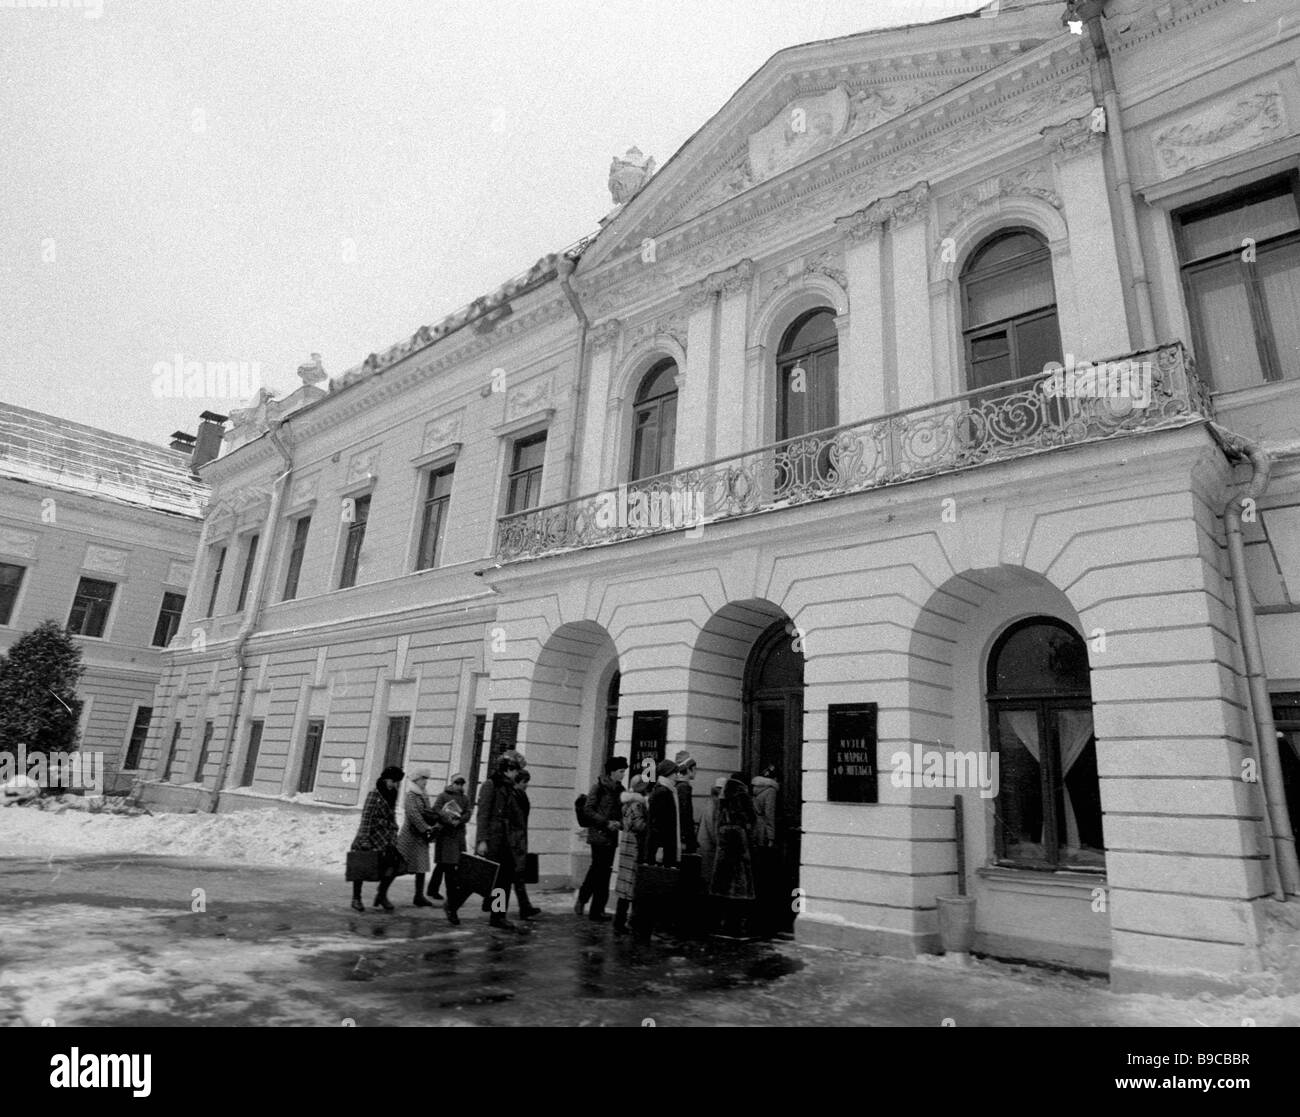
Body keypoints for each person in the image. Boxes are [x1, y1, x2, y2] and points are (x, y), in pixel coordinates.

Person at [447, 754, 523, 929]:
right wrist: (482, 840)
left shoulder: (509, 787)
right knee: (477, 878)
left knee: (503, 879)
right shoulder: (490, 785)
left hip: (505, 840)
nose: (516, 774)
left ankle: (498, 917)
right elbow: (483, 814)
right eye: (514, 770)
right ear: (507, 770)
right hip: (492, 839)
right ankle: (452, 906)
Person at [633, 758, 681, 942]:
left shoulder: (666, 791)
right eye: (675, 772)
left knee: (659, 886)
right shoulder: (663, 792)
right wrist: (660, 848)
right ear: (668, 773)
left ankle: (650, 926)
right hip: (661, 847)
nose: (677, 775)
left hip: (663, 845)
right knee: (658, 887)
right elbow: (657, 824)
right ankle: (653, 928)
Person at [575, 756, 627, 922]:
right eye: (620, 771)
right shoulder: (598, 787)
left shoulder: (620, 790)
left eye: (624, 771)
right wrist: (606, 822)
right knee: (598, 870)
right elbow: (588, 810)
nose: (623, 774)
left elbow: (622, 812)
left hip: (611, 836)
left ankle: (597, 909)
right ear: (612, 771)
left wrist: (620, 823)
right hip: (598, 835)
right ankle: (585, 901)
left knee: (604, 872)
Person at [349, 766, 405, 913]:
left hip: (385, 838)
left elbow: (391, 816)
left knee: (394, 865)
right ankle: (356, 898)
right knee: (361, 865)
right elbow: (366, 818)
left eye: (397, 782)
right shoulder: (374, 794)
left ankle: (381, 895)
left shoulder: (393, 794)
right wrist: (364, 840)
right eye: (393, 781)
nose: (394, 785)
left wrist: (394, 833)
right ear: (386, 779)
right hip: (370, 835)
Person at [711, 772, 758, 937]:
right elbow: (752, 817)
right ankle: (736, 925)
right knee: (740, 885)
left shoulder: (722, 797)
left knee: (722, 883)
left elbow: (716, 819)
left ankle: (719, 922)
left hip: (724, 840)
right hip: (738, 839)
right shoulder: (742, 795)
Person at [395, 770, 441, 907]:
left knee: (421, 867)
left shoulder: (423, 795)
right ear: (416, 780)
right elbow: (413, 814)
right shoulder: (411, 795)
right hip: (409, 836)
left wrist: (433, 821)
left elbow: (427, 812)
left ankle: (419, 896)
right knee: (399, 865)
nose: (425, 781)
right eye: (423, 779)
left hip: (420, 838)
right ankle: (382, 893)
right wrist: (426, 828)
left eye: (426, 779)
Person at [613, 775, 650, 935]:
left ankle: (619, 921)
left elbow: (625, 824)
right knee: (632, 885)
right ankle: (626, 922)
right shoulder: (638, 804)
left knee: (625, 887)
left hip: (626, 846)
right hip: (635, 846)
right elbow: (639, 825)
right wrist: (650, 823)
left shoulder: (627, 804)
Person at [750, 764, 781, 934]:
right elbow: (770, 814)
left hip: (754, 830)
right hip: (763, 832)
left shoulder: (756, 789)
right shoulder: (771, 791)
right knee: (766, 870)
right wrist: (771, 837)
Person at [428, 774, 469, 900]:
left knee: (445, 864)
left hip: (458, 833)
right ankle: (450, 892)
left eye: (461, 784)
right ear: (452, 783)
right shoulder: (443, 796)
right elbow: (436, 809)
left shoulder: (465, 798)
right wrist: (448, 818)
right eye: (457, 783)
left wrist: (460, 820)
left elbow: (468, 812)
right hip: (445, 833)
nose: (459, 786)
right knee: (447, 864)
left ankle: (433, 889)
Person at [696, 775, 727, 930]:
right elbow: (713, 828)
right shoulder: (714, 805)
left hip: (706, 847)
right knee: (709, 885)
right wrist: (721, 843)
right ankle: (709, 920)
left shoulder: (711, 803)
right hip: (709, 850)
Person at [512, 768, 541, 919]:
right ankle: (453, 904)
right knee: (499, 880)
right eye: (525, 782)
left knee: (518, 877)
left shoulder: (520, 795)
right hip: (511, 843)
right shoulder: (511, 795)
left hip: (518, 841)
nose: (526, 785)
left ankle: (525, 907)